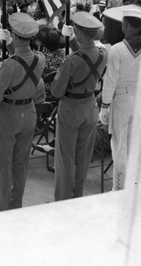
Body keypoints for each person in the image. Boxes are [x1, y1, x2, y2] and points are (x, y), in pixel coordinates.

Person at [0, 13, 45, 212]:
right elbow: (24, 60)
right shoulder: (40, 59)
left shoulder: (8, 65)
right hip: (28, 112)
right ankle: (15, 207)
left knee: (1, 166)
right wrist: (12, 45)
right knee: (20, 165)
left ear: (13, 35)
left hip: (8, 114)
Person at [51, 11, 110, 200]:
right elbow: (86, 56)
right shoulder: (103, 54)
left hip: (71, 107)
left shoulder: (71, 60)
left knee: (65, 158)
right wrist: (75, 41)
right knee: (83, 157)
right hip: (89, 106)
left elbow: (56, 91)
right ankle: (77, 197)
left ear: (80, 33)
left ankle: (63, 200)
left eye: (76, 29)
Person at [99, 5, 141, 191]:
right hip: (138, 98)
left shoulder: (117, 49)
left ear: (126, 25)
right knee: (135, 145)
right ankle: (134, 185)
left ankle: (118, 187)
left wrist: (105, 105)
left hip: (122, 99)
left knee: (119, 145)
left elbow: (110, 81)